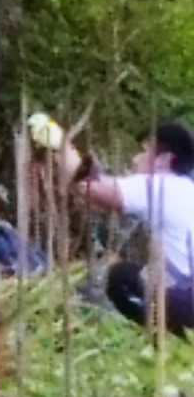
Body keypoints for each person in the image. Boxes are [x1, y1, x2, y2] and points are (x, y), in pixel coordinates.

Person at [33, 115, 194, 333]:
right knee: (145, 273)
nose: (136, 159)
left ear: (163, 160)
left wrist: (61, 146)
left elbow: (91, 188)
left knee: (122, 278)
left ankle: (168, 335)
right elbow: (102, 183)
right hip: (184, 284)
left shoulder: (158, 186)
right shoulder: (185, 188)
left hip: (187, 295)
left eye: (145, 151)